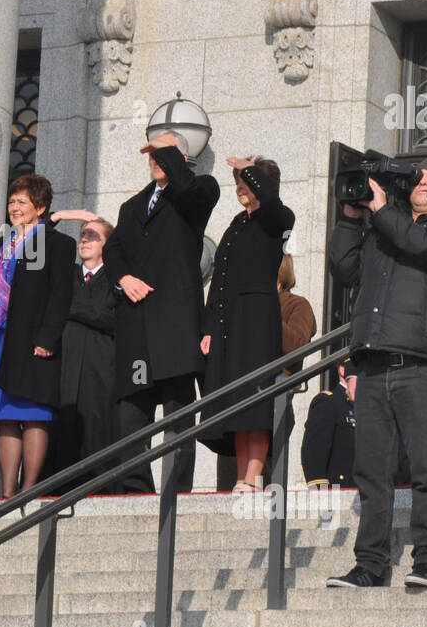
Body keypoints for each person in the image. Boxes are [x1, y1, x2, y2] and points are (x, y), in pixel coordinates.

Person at [325, 157, 427, 589]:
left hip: (420, 366)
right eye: (420, 176)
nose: (422, 182)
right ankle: (370, 564)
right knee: (372, 472)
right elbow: (344, 268)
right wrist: (352, 218)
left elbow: (420, 246)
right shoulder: (382, 229)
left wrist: (379, 210)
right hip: (372, 363)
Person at [104, 130, 220, 494]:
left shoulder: (199, 191)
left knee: (178, 417)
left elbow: (187, 190)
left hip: (175, 330)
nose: (154, 159)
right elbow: (114, 250)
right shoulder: (133, 205)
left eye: (163, 153)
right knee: (131, 415)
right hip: (138, 331)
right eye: (151, 153)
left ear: (181, 158)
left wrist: (171, 157)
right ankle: (137, 489)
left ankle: (177, 490)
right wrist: (124, 278)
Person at [0, 175, 75, 498]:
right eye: (12, 201)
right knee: (6, 416)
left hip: (33, 341)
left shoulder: (57, 244)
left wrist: (47, 339)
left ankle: (29, 489)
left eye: (21, 202)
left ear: (40, 207)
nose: (14, 207)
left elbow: (60, 296)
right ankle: (8, 491)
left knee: (33, 414)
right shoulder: (3, 244)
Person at [198, 156, 294, 492]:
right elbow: (220, 279)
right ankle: (241, 476)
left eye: (246, 182)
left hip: (256, 321)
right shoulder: (238, 223)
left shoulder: (276, 218)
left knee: (257, 401)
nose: (239, 188)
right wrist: (208, 327)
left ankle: (253, 477)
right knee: (236, 402)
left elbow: (271, 202)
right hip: (228, 324)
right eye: (238, 182)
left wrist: (250, 169)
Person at [43, 211, 117, 490]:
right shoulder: (68, 274)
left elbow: (108, 316)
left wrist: (64, 305)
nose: (84, 238)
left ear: (107, 245)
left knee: (96, 431)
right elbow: (34, 248)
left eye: (93, 234)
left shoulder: (116, 279)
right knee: (57, 433)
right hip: (62, 366)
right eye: (82, 234)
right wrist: (56, 217)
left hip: (99, 371)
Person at [302, 361, 357, 488]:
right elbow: (314, 452)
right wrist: (320, 491)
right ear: (343, 370)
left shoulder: (371, 407)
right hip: (341, 489)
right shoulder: (328, 402)